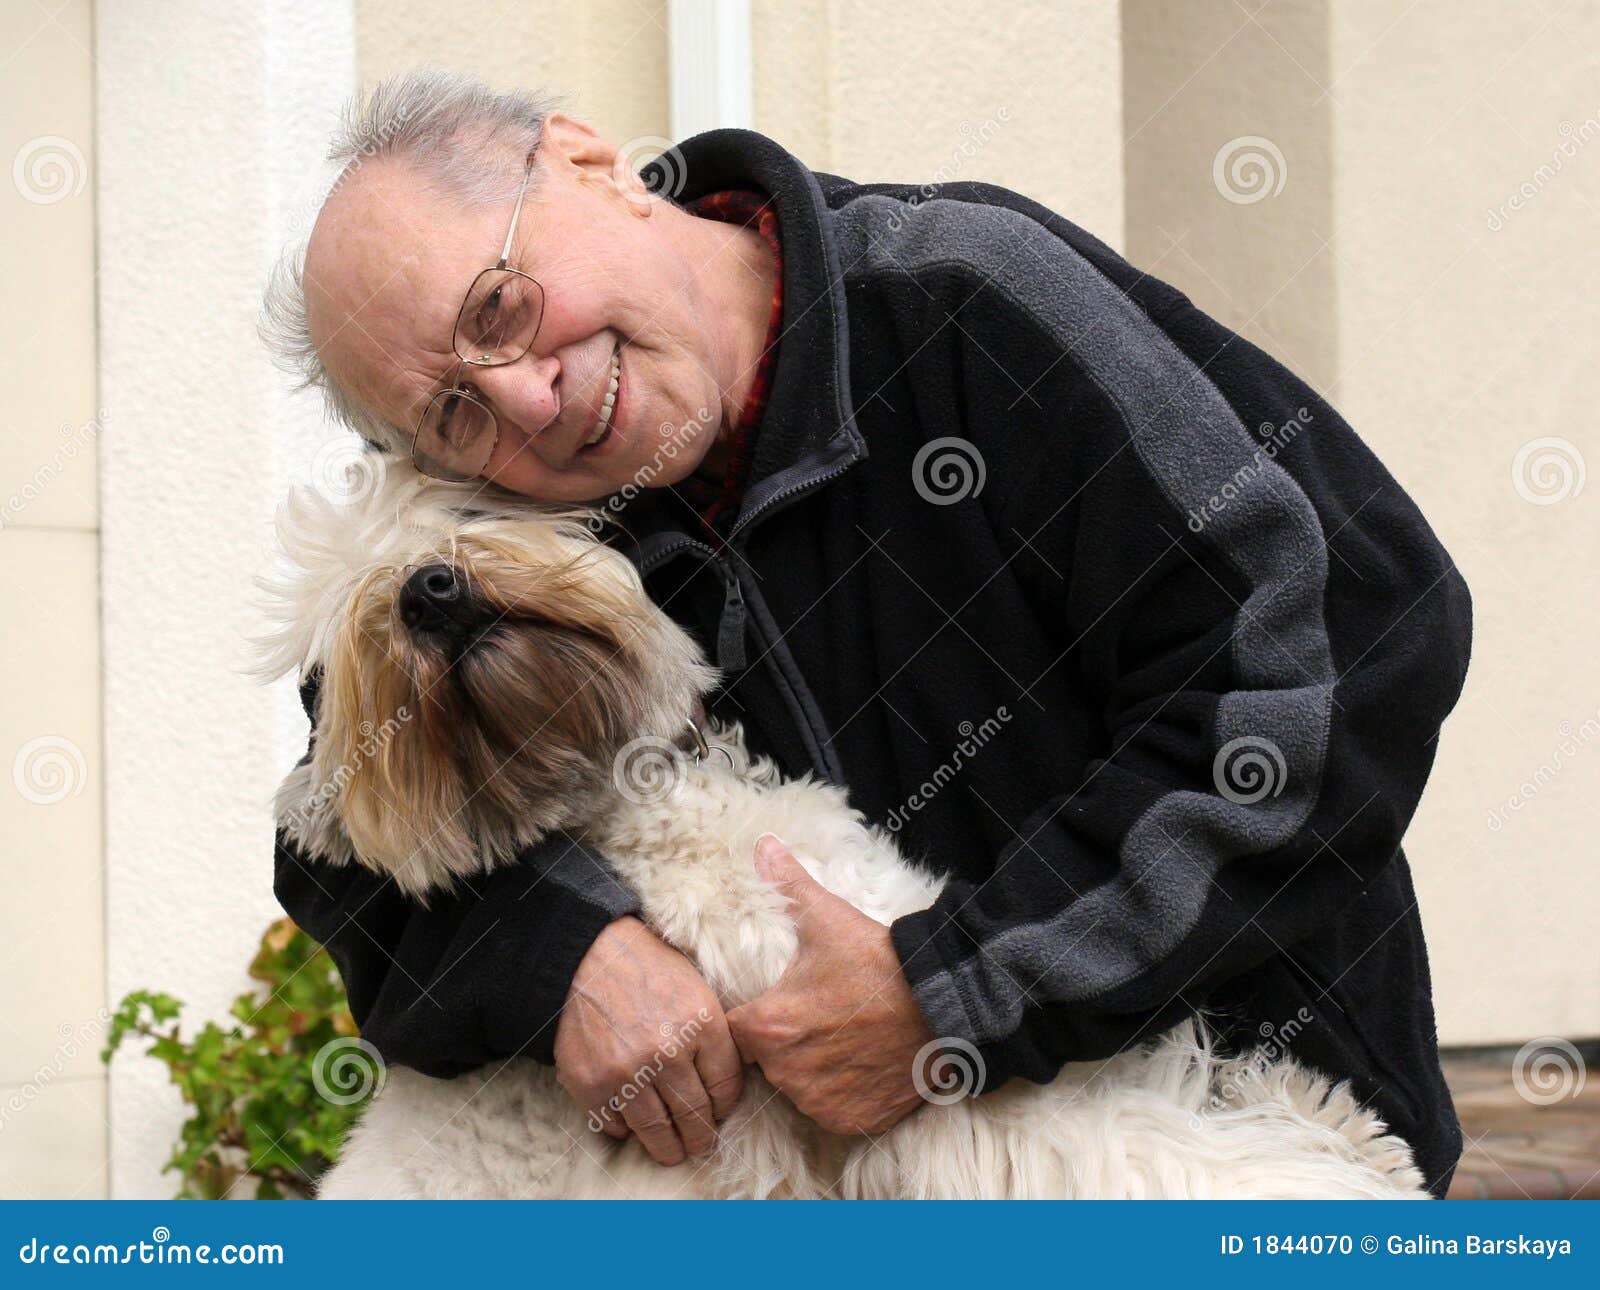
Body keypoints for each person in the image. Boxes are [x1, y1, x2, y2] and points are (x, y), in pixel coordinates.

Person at [263, 70, 1473, 1195]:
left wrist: (952, 990)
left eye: (502, 306)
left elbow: (1347, 638)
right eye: (455, 413)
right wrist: (560, 957)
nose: (528, 395)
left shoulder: (972, 304)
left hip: (1245, 1146)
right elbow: (340, 833)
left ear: (587, 163)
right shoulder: (503, 516)